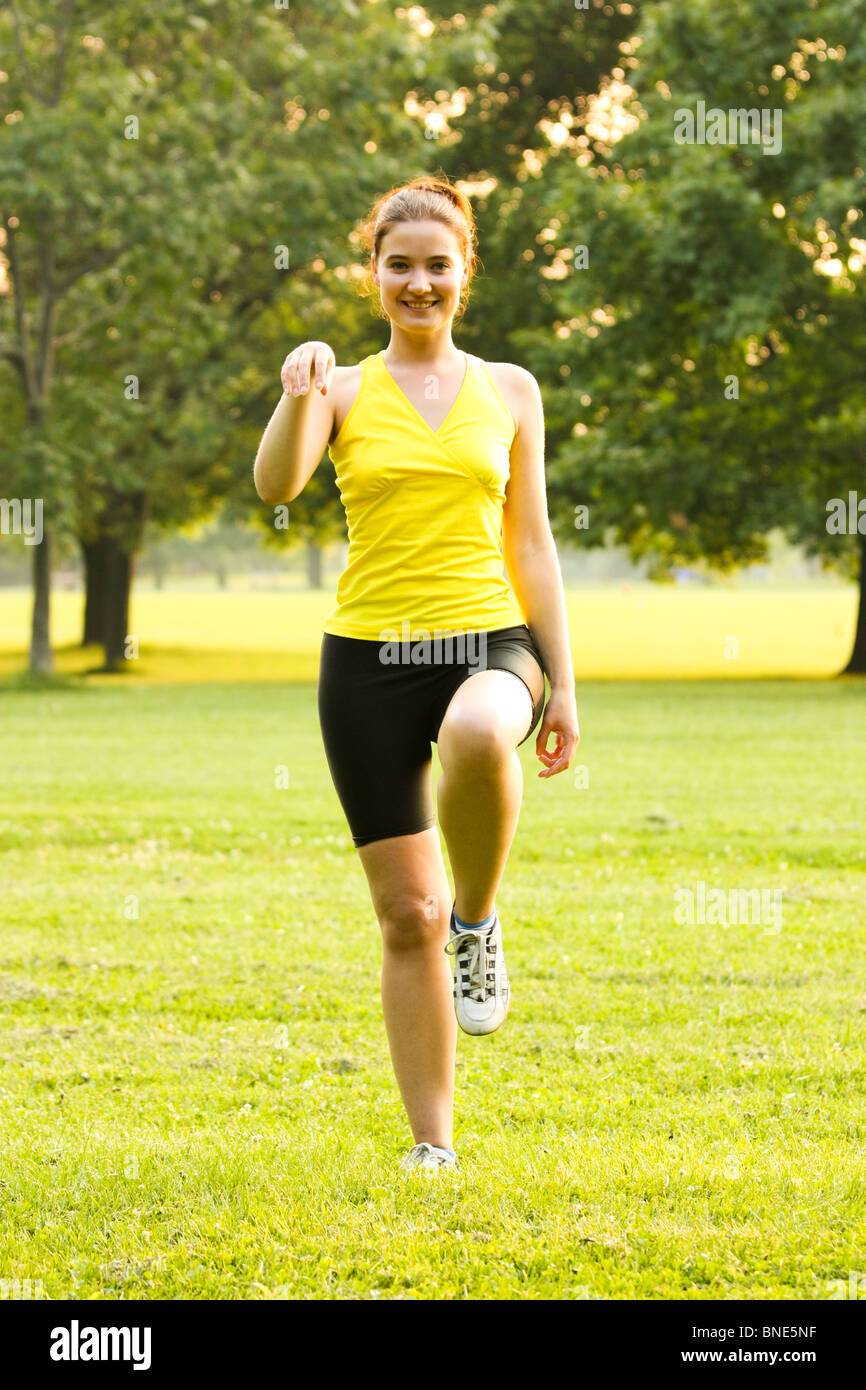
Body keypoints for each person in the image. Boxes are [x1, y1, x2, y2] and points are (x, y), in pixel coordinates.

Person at [254, 174, 579, 1173]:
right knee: (405, 915)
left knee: (482, 736)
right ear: (373, 274)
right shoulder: (340, 388)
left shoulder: (511, 390)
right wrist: (293, 388)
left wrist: (561, 680)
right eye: (399, 265)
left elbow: (530, 543)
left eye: (437, 265)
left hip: (487, 639)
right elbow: (276, 485)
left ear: (463, 273)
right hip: (367, 661)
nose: (418, 282)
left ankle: (478, 919)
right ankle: (431, 1145)